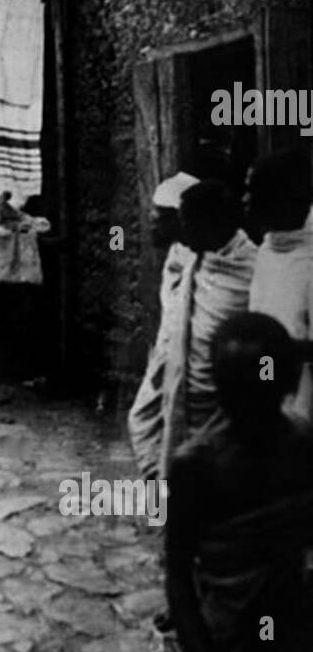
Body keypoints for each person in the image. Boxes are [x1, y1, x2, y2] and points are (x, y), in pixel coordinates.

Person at [166, 313, 313, 652]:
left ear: (282, 387)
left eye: (261, 394)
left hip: (296, 642)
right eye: (236, 396)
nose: (248, 414)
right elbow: (179, 583)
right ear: (219, 391)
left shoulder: (303, 447)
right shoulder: (197, 465)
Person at [152, 180, 257, 479]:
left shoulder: (250, 268)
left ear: (212, 224)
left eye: (190, 224)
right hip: (186, 390)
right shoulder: (193, 260)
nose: (184, 233)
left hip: (225, 401)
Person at [128, 172, 200, 479]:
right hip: (166, 357)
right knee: (141, 419)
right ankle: (158, 484)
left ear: (180, 219)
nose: (152, 220)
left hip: (190, 362)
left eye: (161, 214)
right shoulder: (177, 253)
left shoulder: (202, 258)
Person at [245, 149, 313, 419]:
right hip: (270, 390)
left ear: (279, 197)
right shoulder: (267, 249)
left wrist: (276, 346)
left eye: (253, 190)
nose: (245, 199)